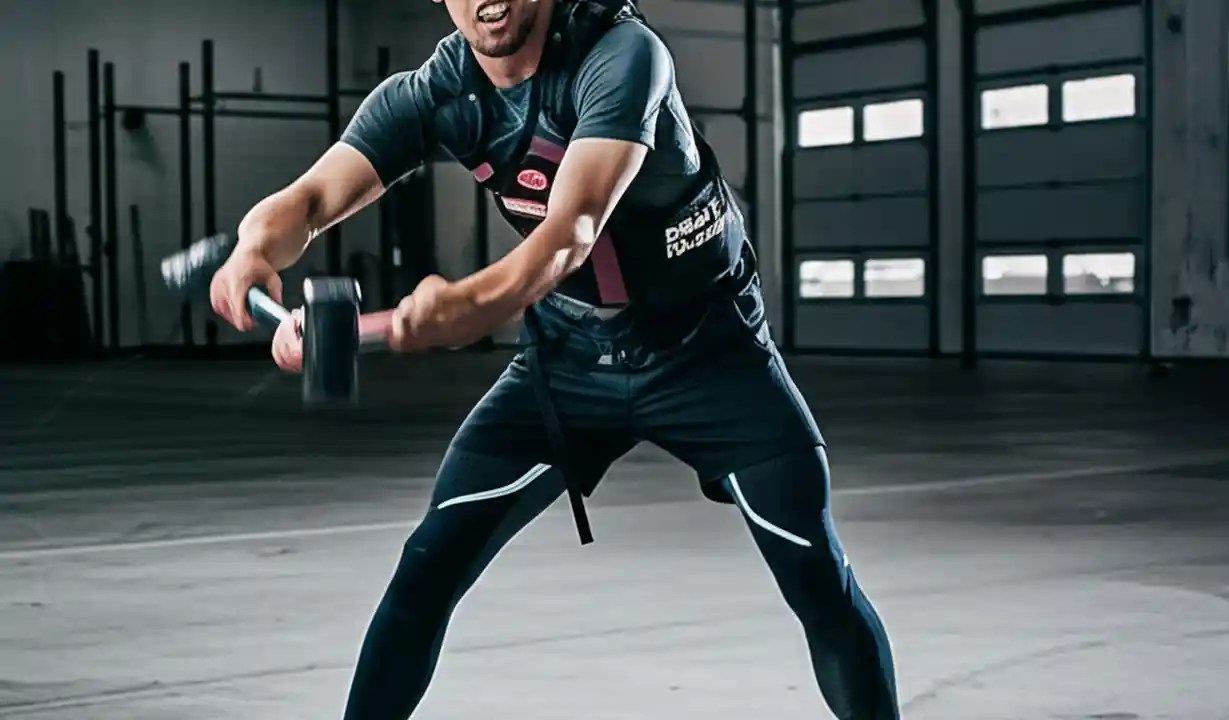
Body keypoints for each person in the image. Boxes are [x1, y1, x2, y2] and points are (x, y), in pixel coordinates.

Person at [208, 1, 899, 717]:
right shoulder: (436, 91)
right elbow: (312, 197)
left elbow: (568, 234)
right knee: (427, 568)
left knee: (817, 576)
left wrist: (463, 308)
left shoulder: (623, 56)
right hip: (567, 360)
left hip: (708, 352)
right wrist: (254, 249)